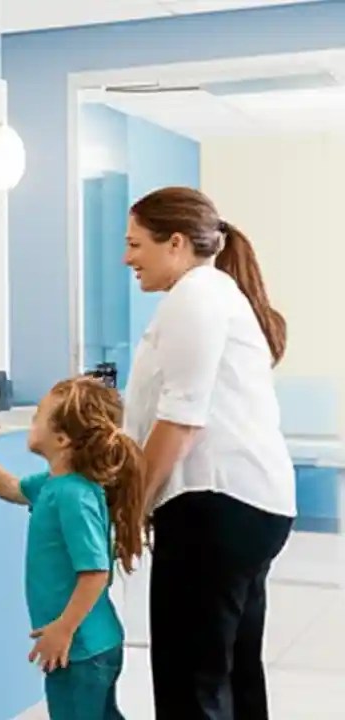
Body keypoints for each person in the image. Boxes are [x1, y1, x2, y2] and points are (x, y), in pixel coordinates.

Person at [122, 187, 295, 719]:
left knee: (190, 681)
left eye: (135, 244)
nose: (128, 258)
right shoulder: (216, 293)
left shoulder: (196, 295)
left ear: (175, 242)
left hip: (213, 507)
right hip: (245, 506)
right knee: (234, 671)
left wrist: (131, 506)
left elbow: (182, 421)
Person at [0, 377, 147, 720]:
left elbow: (95, 572)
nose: (32, 422)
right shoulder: (54, 484)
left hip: (79, 648)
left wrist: (63, 630)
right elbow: (7, 486)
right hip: (88, 644)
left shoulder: (73, 496)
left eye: (38, 416)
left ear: (62, 439)